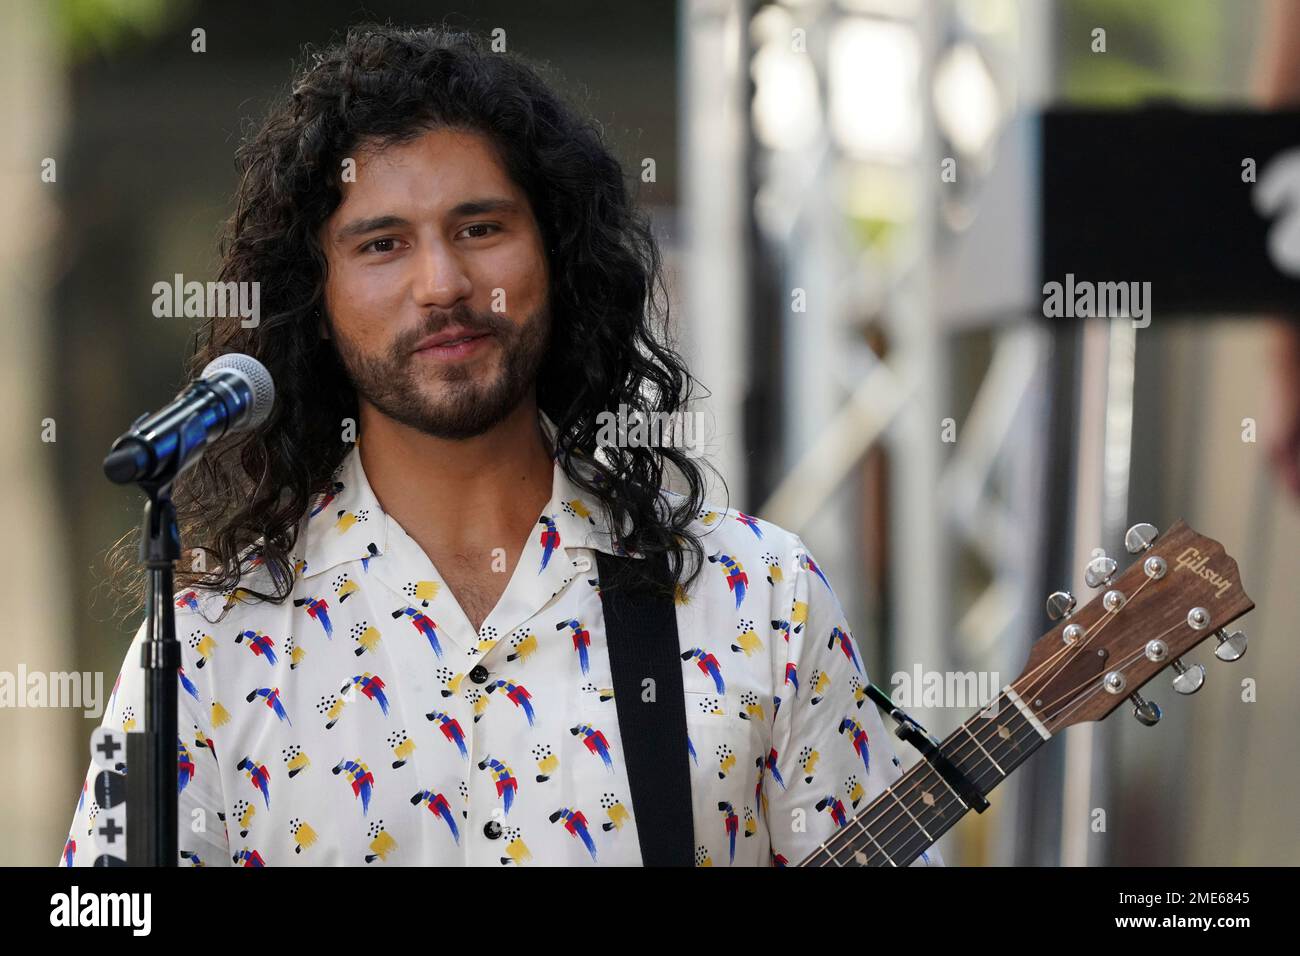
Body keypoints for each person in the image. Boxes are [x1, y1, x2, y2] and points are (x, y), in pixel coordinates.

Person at [61, 25, 941, 867]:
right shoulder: (209, 648)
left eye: (480, 228)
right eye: (382, 244)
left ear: (556, 259)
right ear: (313, 299)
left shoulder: (757, 601)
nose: (443, 283)